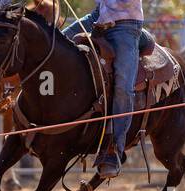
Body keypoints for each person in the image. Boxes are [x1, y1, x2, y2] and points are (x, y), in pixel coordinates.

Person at [61, 1, 146, 178]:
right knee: (56, 42)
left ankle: (114, 149)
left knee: (123, 86)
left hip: (126, 25)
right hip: (97, 18)